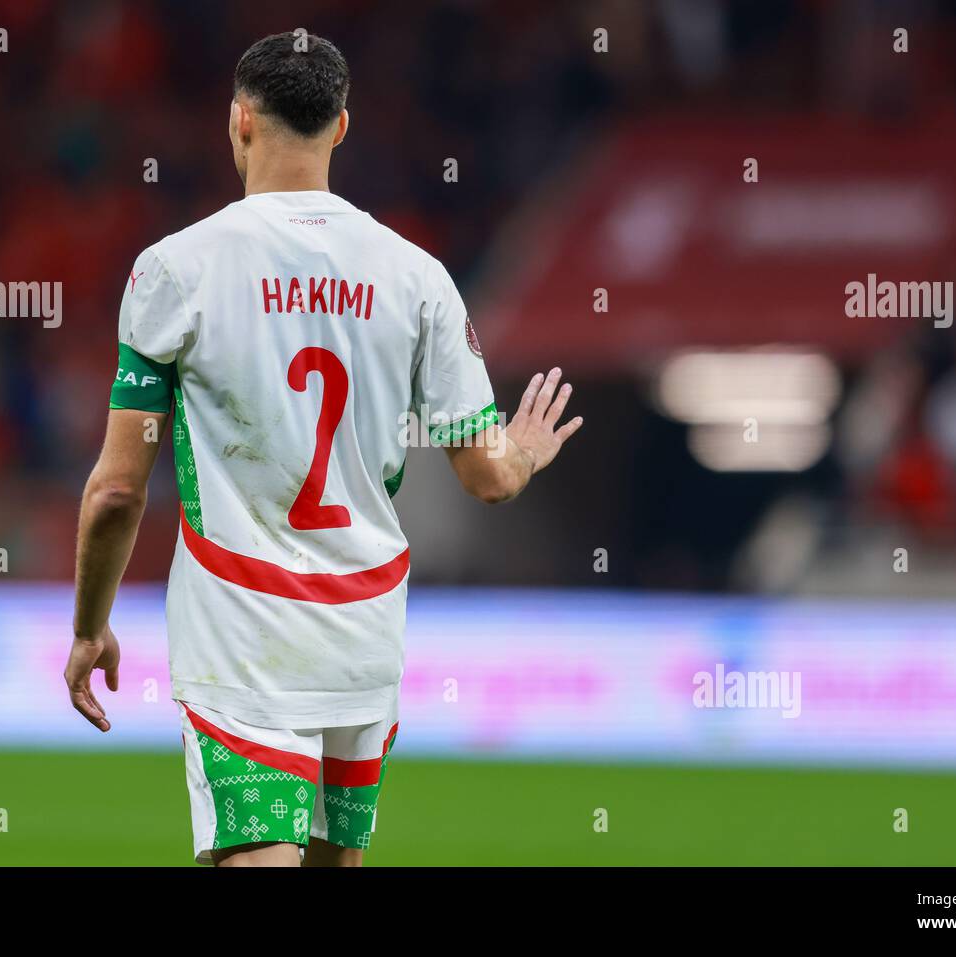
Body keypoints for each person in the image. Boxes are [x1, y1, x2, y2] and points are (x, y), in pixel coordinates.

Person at [64, 31, 582, 867]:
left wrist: (91, 625)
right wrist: (523, 447)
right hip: (364, 632)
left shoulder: (174, 270)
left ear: (238, 123)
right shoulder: (418, 278)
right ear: (342, 127)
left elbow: (117, 492)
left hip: (242, 626)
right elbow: (487, 476)